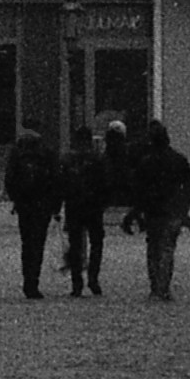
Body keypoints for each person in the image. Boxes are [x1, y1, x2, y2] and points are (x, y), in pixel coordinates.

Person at [130, 115, 190, 302]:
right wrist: (183, 210)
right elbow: (188, 187)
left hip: (153, 212)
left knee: (154, 250)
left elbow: (138, 190)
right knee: (167, 250)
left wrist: (137, 211)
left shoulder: (146, 162)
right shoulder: (179, 160)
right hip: (172, 211)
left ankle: (155, 286)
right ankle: (163, 287)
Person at [2, 120, 62, 301]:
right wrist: (55, 206)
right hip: (42, 204)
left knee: (26, 242)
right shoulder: (47, 152)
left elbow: (10, 179)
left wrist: (16, 200)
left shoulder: (18, 152)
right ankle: (33, 280)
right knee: (38, 243)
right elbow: (56, 180)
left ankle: (27, 278)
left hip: (24, 205)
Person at [60, 127, 107, 300]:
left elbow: (61, 183)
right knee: (96, 243)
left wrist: (58, 204)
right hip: (94, 207)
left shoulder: (67, 159)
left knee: (75, 244)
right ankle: (93, 278)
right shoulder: (97, 159)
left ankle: (76, 282)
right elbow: (105, 182)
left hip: (74, 206)